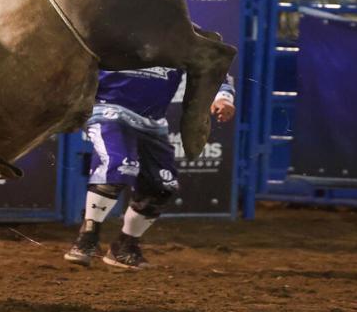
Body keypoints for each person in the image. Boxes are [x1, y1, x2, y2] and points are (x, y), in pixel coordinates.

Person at [65, 69, 236, 270]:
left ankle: (125, 247)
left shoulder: (185, 38)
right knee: (117, 164)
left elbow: (212, 66)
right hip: (108, 109)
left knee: (163, 186)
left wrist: (223, 97)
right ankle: (87, 237)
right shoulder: (113, 35)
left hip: (152, 121)